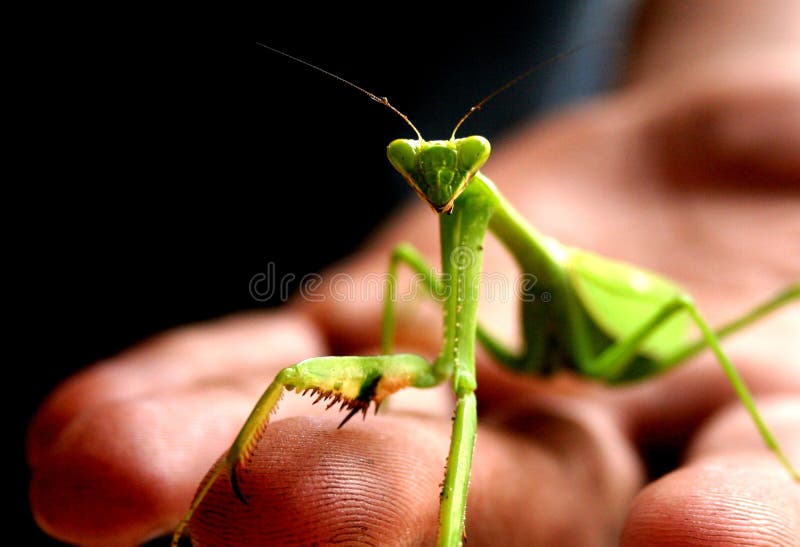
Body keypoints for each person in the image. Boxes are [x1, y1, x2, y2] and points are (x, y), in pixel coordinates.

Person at [28, 1, 800, 544]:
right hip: (128, 295)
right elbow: (447, 353)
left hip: (631, 334)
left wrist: (746, 59)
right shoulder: (438, 225)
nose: (435, 187)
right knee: (401, 270)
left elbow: (460, 380)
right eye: (414, 168)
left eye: (456, 173)